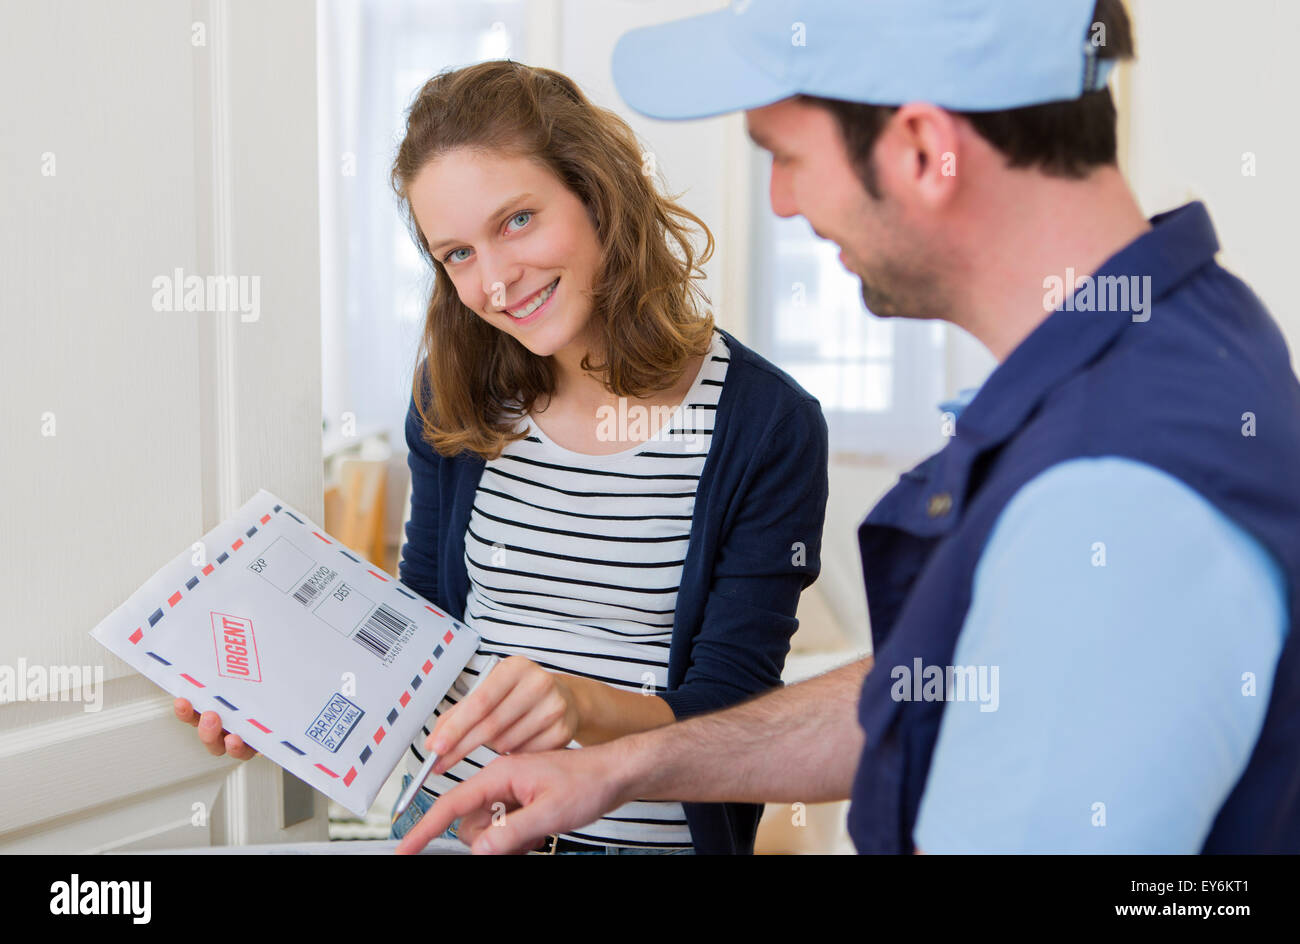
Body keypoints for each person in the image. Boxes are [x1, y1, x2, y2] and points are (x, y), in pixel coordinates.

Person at [396, 0, 1300, 855]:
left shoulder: (1111, 489)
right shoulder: (1174, 341)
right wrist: (624, 765)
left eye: (784, 154)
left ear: (919, 151)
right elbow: (935, 687)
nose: (782, 201)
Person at [176, 58, 829, 855]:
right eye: (456, 254)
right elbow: (421, 634)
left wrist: (581, 705)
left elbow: (736, 719)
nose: (495, 282)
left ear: (596, 194)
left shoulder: (765, 424)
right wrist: (279, 698)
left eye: (517, 220)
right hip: (447, 831)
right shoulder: (457, 397)